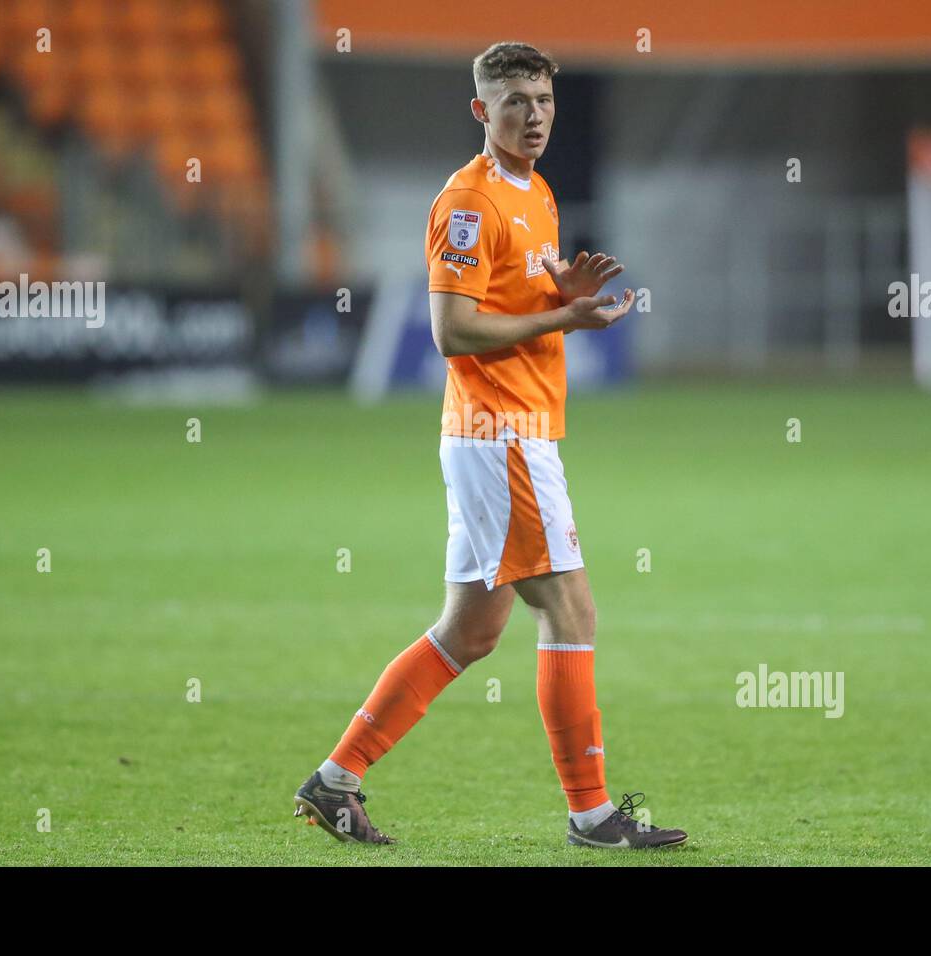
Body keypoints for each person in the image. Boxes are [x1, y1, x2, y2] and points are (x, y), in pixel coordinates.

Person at [294, 41, 687, 850]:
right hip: (499, 433)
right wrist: (560, 319)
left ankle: (335, 781)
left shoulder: (536, 193)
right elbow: (452, 330)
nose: (534, 115)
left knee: (471, 631)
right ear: (482, 111)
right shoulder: (468, 203)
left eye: (543, 100)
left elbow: (514, 296)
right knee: (573, 608)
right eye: (515, 102)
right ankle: (592, 816)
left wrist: (558, 292)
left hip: (511, 431)